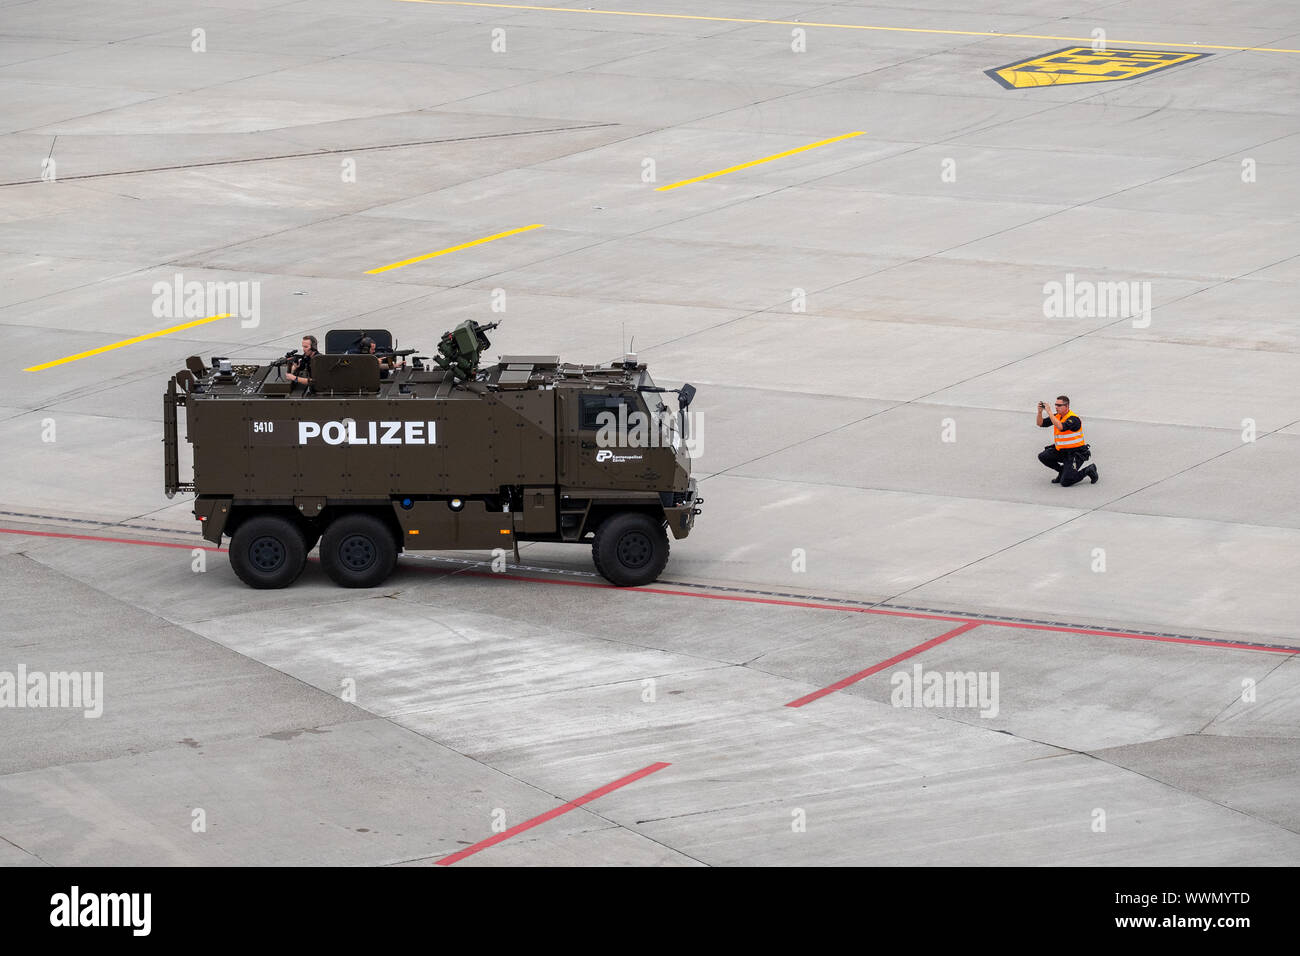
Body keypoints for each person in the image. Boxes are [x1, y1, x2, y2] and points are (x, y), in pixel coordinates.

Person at [1036, 395, 1098, 486]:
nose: (1056, 407)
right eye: (1055, 405)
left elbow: (1061, 427)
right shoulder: (1057, 416)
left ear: (1067, 406)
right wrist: (1040, 412)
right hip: (1062, 451)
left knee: (1066, 482)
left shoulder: (1073, 419)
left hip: (1076, 454)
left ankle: (1088, 470)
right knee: (1043, 456)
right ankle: (1062, 471)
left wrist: (1049, 412)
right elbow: (1040, 423)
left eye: (1059, 405)